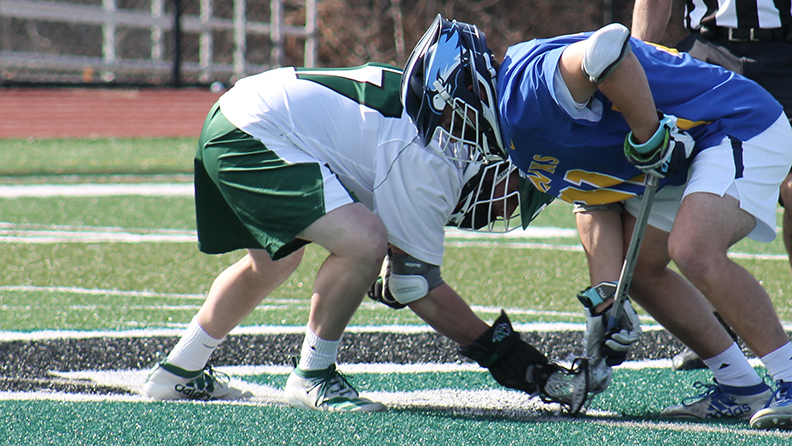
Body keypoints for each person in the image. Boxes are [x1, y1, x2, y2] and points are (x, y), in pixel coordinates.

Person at [402, 15, 792, 429]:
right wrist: (606, 304)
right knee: (639, 271)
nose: (452, 134)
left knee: (693, 249)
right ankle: (740, 385)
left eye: (446, 118)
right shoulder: (516, 135)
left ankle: (788, 374)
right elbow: (592, 201)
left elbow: (609, 47)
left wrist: (648, 134)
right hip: (691, 149)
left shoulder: (525, 88)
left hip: (733, 120)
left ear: (468, 85)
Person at [139, 62, 591, 414]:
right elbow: (415, 286)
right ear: (497, 162)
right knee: (362, 242)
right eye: (510, 197)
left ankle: (179, 369)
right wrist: (503, 352)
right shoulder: (440, 160)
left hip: (243, 117)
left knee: (274, 263)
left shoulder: (446, 135)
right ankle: (313, 374)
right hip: (256, 130)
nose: (502, 210)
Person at [629, 0, 792, 372]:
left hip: (786, 51)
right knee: (644, 258)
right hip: (709, 50)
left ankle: (780, 370)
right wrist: (634, 64)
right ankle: (722, 346)